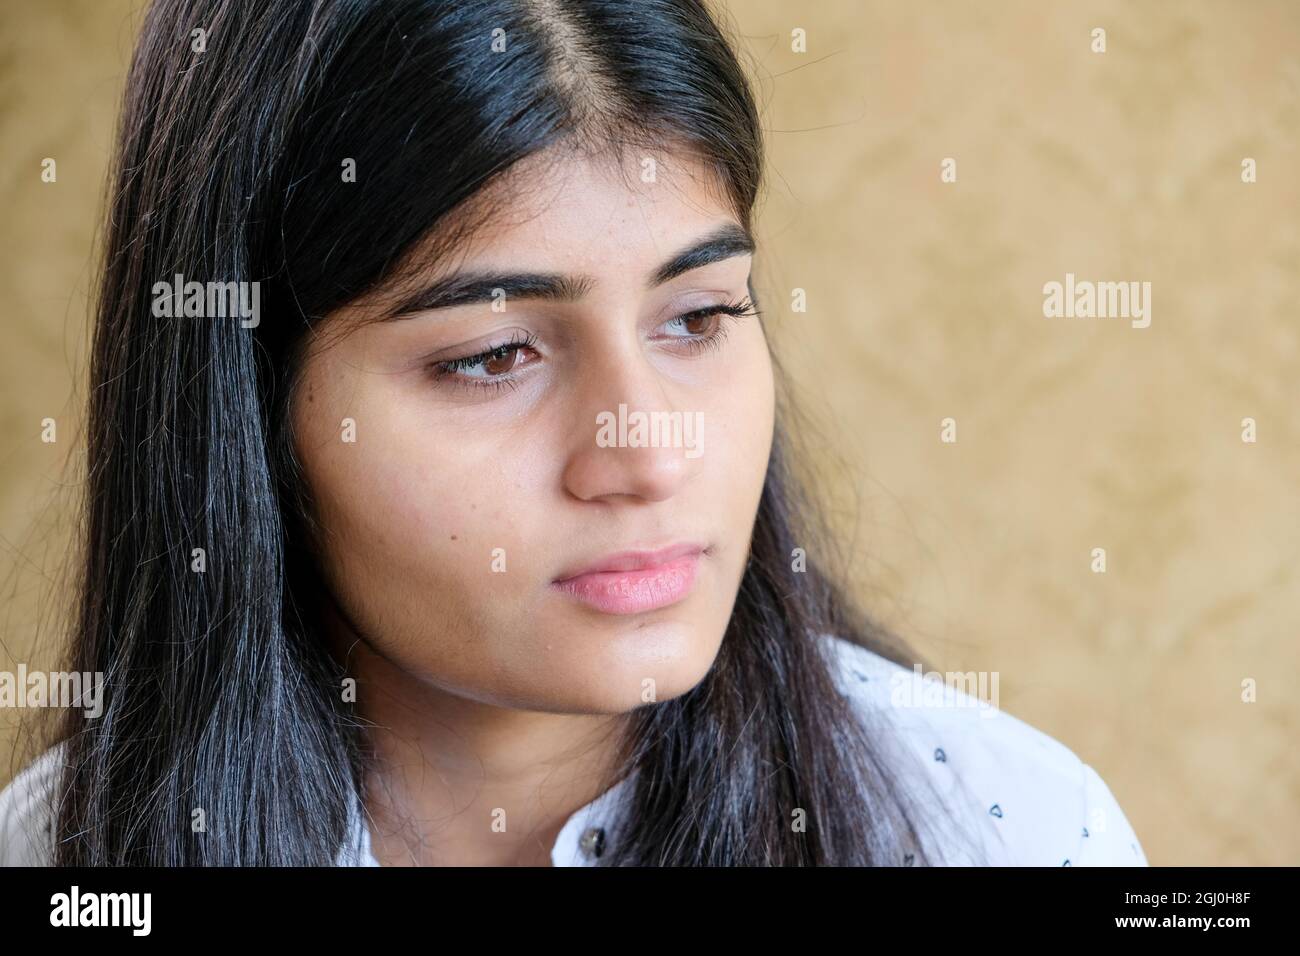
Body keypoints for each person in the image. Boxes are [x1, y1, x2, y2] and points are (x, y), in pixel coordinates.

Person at [0, 0, 1147, 867]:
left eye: (698, 317)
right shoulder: (58, 856)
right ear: (248, 400)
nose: (649, 454)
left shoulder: (1010, 831)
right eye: (492, 355)